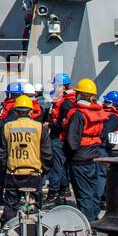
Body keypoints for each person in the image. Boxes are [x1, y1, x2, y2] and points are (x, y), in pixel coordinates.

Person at [0, 94, 52, 224]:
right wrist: (44, 169)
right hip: (34, 173)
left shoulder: (8, 127)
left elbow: (0, 153)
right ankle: (36, 230)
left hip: (13, 173)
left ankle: (7, 229)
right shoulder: (39, 127)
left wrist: (5, 168)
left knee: (10, 204)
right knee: (36, 205)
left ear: (15, 111)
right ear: (31, 111)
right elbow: (47, 153)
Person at [63, 79, 109, 221]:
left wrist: (67, 156)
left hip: (79, 159)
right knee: (93, 193)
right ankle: (94, 218)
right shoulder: (98, 112)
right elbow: (102, 133)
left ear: (80, 95)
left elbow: (72, 141)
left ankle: (87, 224)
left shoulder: (78, 114)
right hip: (94, 157)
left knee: (83, 195)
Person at [44, 73, 76, 206]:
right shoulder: (65, 100)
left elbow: (64, 124)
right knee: (61, 167)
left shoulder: (66, 103)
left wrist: (49, 125)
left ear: (62, 86)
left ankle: (52, 194)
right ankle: (63, 190)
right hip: (60, 137)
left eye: (56, 85)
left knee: (56, 167)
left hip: (60, 138)